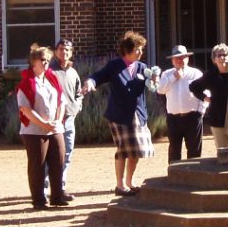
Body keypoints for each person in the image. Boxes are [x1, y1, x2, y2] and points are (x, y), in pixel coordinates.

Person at [83, 31, 154, 196]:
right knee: (123, 149)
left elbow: (152, 85)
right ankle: (120, 185)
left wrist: (155, 82)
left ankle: (130, 181)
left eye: (141, 49)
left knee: (137, 150)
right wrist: (90, 82)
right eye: (138, 49)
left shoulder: (143, 68)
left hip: (138, 114)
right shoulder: (114, 66)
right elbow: (98, 76)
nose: (141, 52)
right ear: (128, 49)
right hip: (119, 115)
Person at [16, 45, 70, 209]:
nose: (46, 63)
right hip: (34, 131)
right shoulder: (26, 84)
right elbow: (26, 109)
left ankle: (57, 196)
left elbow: (61, 101)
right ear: (34, 62)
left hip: (55, 128)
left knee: (58, 162)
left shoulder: (51, 80)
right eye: (43, 60)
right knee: (37, 166)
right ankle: (39, 200)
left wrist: (58, 121)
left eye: (48, 60)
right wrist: (43, 124)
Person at [45, 38, 82, 201]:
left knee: (66, 154)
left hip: (69, 120)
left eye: (67, 50)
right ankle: (44, 189)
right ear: (55, 52)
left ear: (71, 52)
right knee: (50, 155)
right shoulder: (49, 72)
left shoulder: (73, 72)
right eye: (61, 49)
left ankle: (61, 188)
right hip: (53, 121)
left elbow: (78, 93)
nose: (64, 52)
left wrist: (77, 107)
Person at [157, 44, 205, 162]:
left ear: (187, 58)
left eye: (183, 57)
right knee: (174, 150)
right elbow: (160, 90)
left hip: (193, 117)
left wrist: (200, 111)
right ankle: (174, 176)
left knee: (194, 150)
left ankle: (194, 176)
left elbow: (205, 92)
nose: (180, 60)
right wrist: (173, 77)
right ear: (172, 60)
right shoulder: (167, 74)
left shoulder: (195, 73)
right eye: (177, 58)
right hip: (173, 118)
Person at [188, 43, 228, 150]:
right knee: (222, 150)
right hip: (217, 116)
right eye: (219, 55)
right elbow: (194, 86)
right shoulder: (211, 75)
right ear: (214, 59)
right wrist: (205, 98)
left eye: (225, 55)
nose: (222, 57)